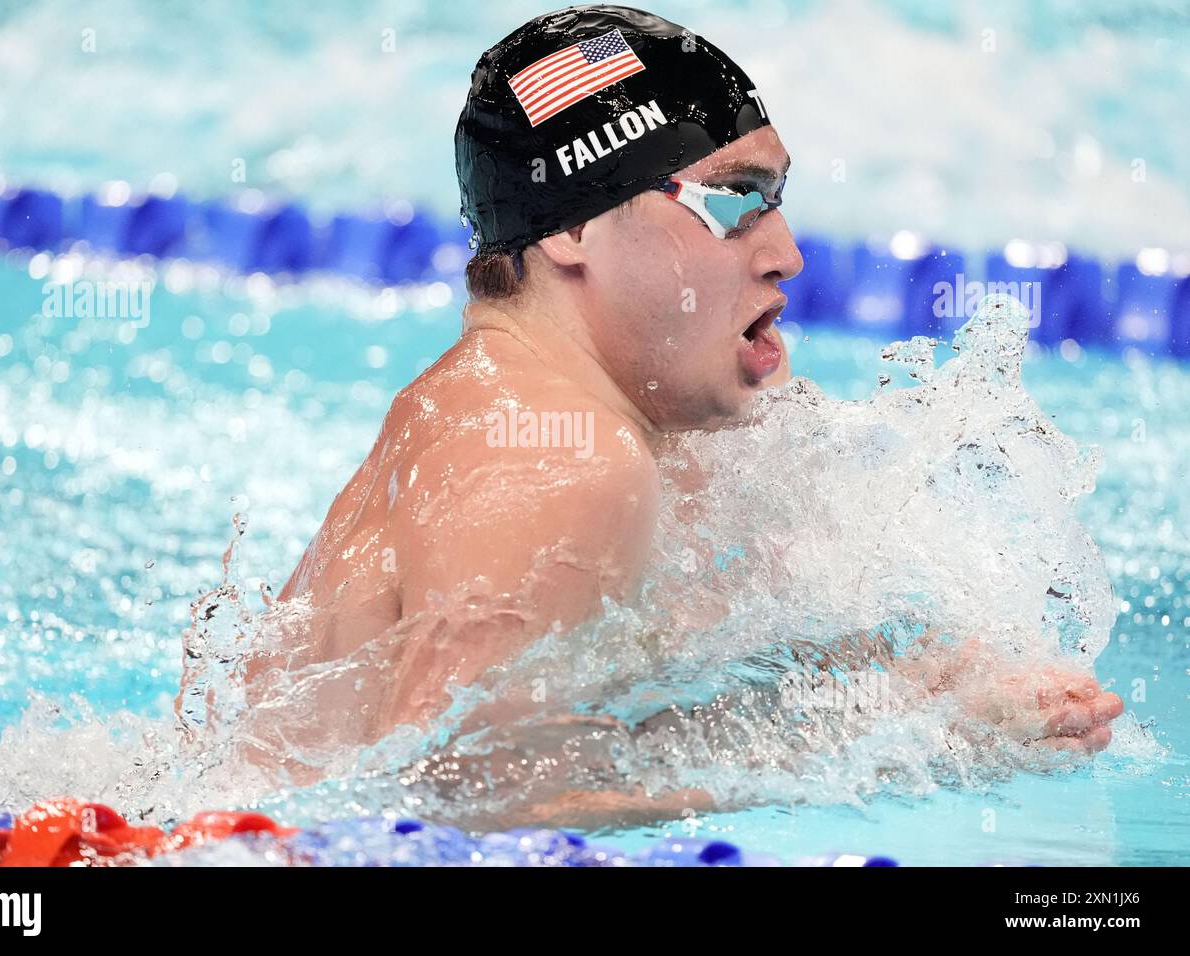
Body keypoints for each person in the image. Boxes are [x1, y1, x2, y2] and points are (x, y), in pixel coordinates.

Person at [261, 6, 1121, 801]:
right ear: (572, 228)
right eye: (735, 200)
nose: (786, 253)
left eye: (776, 197)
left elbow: (709, 655)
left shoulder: (582, 415)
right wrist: (909, 746)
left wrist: (934, 682)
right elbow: (446, 795)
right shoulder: (560, 455)